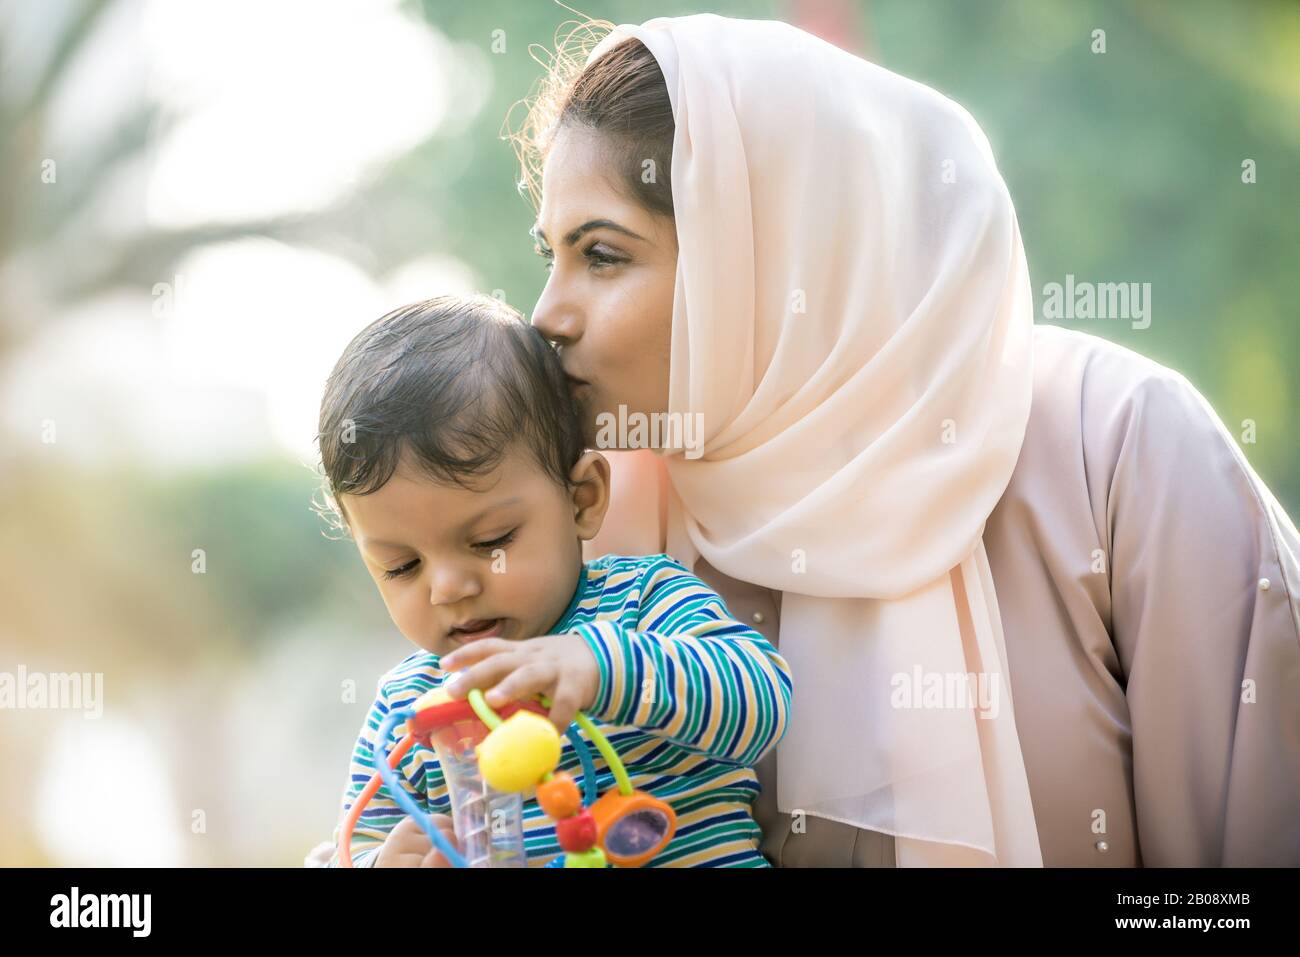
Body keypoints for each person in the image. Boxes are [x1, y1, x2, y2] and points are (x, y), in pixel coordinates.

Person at [517, 14, 1300, 866]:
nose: (544, 314)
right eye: (550, 255)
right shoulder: (603, 523)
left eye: (600, 254)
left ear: (764, 248)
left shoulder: (1118, 445)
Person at [314, 294, 791, 867]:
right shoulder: (407, 710)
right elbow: (344, 849)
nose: (447, 588)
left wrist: (604, 667)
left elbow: (764, 702)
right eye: (401, 566)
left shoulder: (642, 603)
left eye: (491, 541)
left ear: (582, 498)